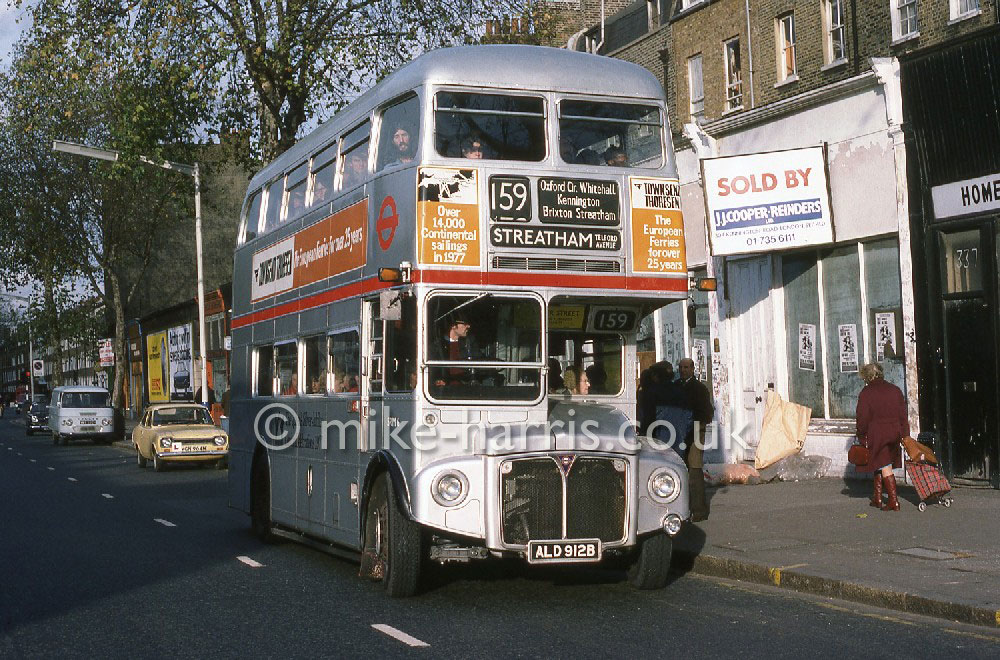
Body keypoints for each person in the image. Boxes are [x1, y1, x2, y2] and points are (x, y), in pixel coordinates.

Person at [856, 362, 908, 512]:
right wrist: (905, 434)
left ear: (867, 377)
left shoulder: (866, 393)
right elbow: (902, 415)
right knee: (880, 461)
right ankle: (877, 498)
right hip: (895, 432)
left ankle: (893, 501)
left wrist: (861, 433)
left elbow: (862, 417)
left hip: (877, 434)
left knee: (884, 464)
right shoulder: (895, 390)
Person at [679, 357, 713, 521]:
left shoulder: (699, 388)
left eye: (686, 367)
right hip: (680, 430)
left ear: (693, 369)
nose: (683, 370)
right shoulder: (677, 386)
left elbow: (707, 412)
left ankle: (699, 510)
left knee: (695, 466)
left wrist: (698, 425)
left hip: (696, 430)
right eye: (681, 367)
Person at [430, 314, 479, 386]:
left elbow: (478, 361)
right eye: (465, 323)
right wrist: (436, 381)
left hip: (467, 388)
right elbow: (432, 370)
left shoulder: (470, 342)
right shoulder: (438, 345)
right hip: (444, 391)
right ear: (453, 326)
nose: (468, 326)